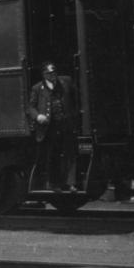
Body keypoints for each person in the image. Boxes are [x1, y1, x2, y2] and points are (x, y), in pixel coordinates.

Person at [27, 61, 79, 191]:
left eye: (54, 72)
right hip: (49, 128)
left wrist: (74, 114)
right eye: (49, 73)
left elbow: (77, 97)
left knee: (69, 153)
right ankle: (54, 184)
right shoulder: (37, 88)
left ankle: (70, 183)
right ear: (44, 75)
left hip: (66, 124)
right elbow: (30, 107)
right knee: (53, 154)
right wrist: (38, 116)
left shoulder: (66, 82)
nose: (53, 75)